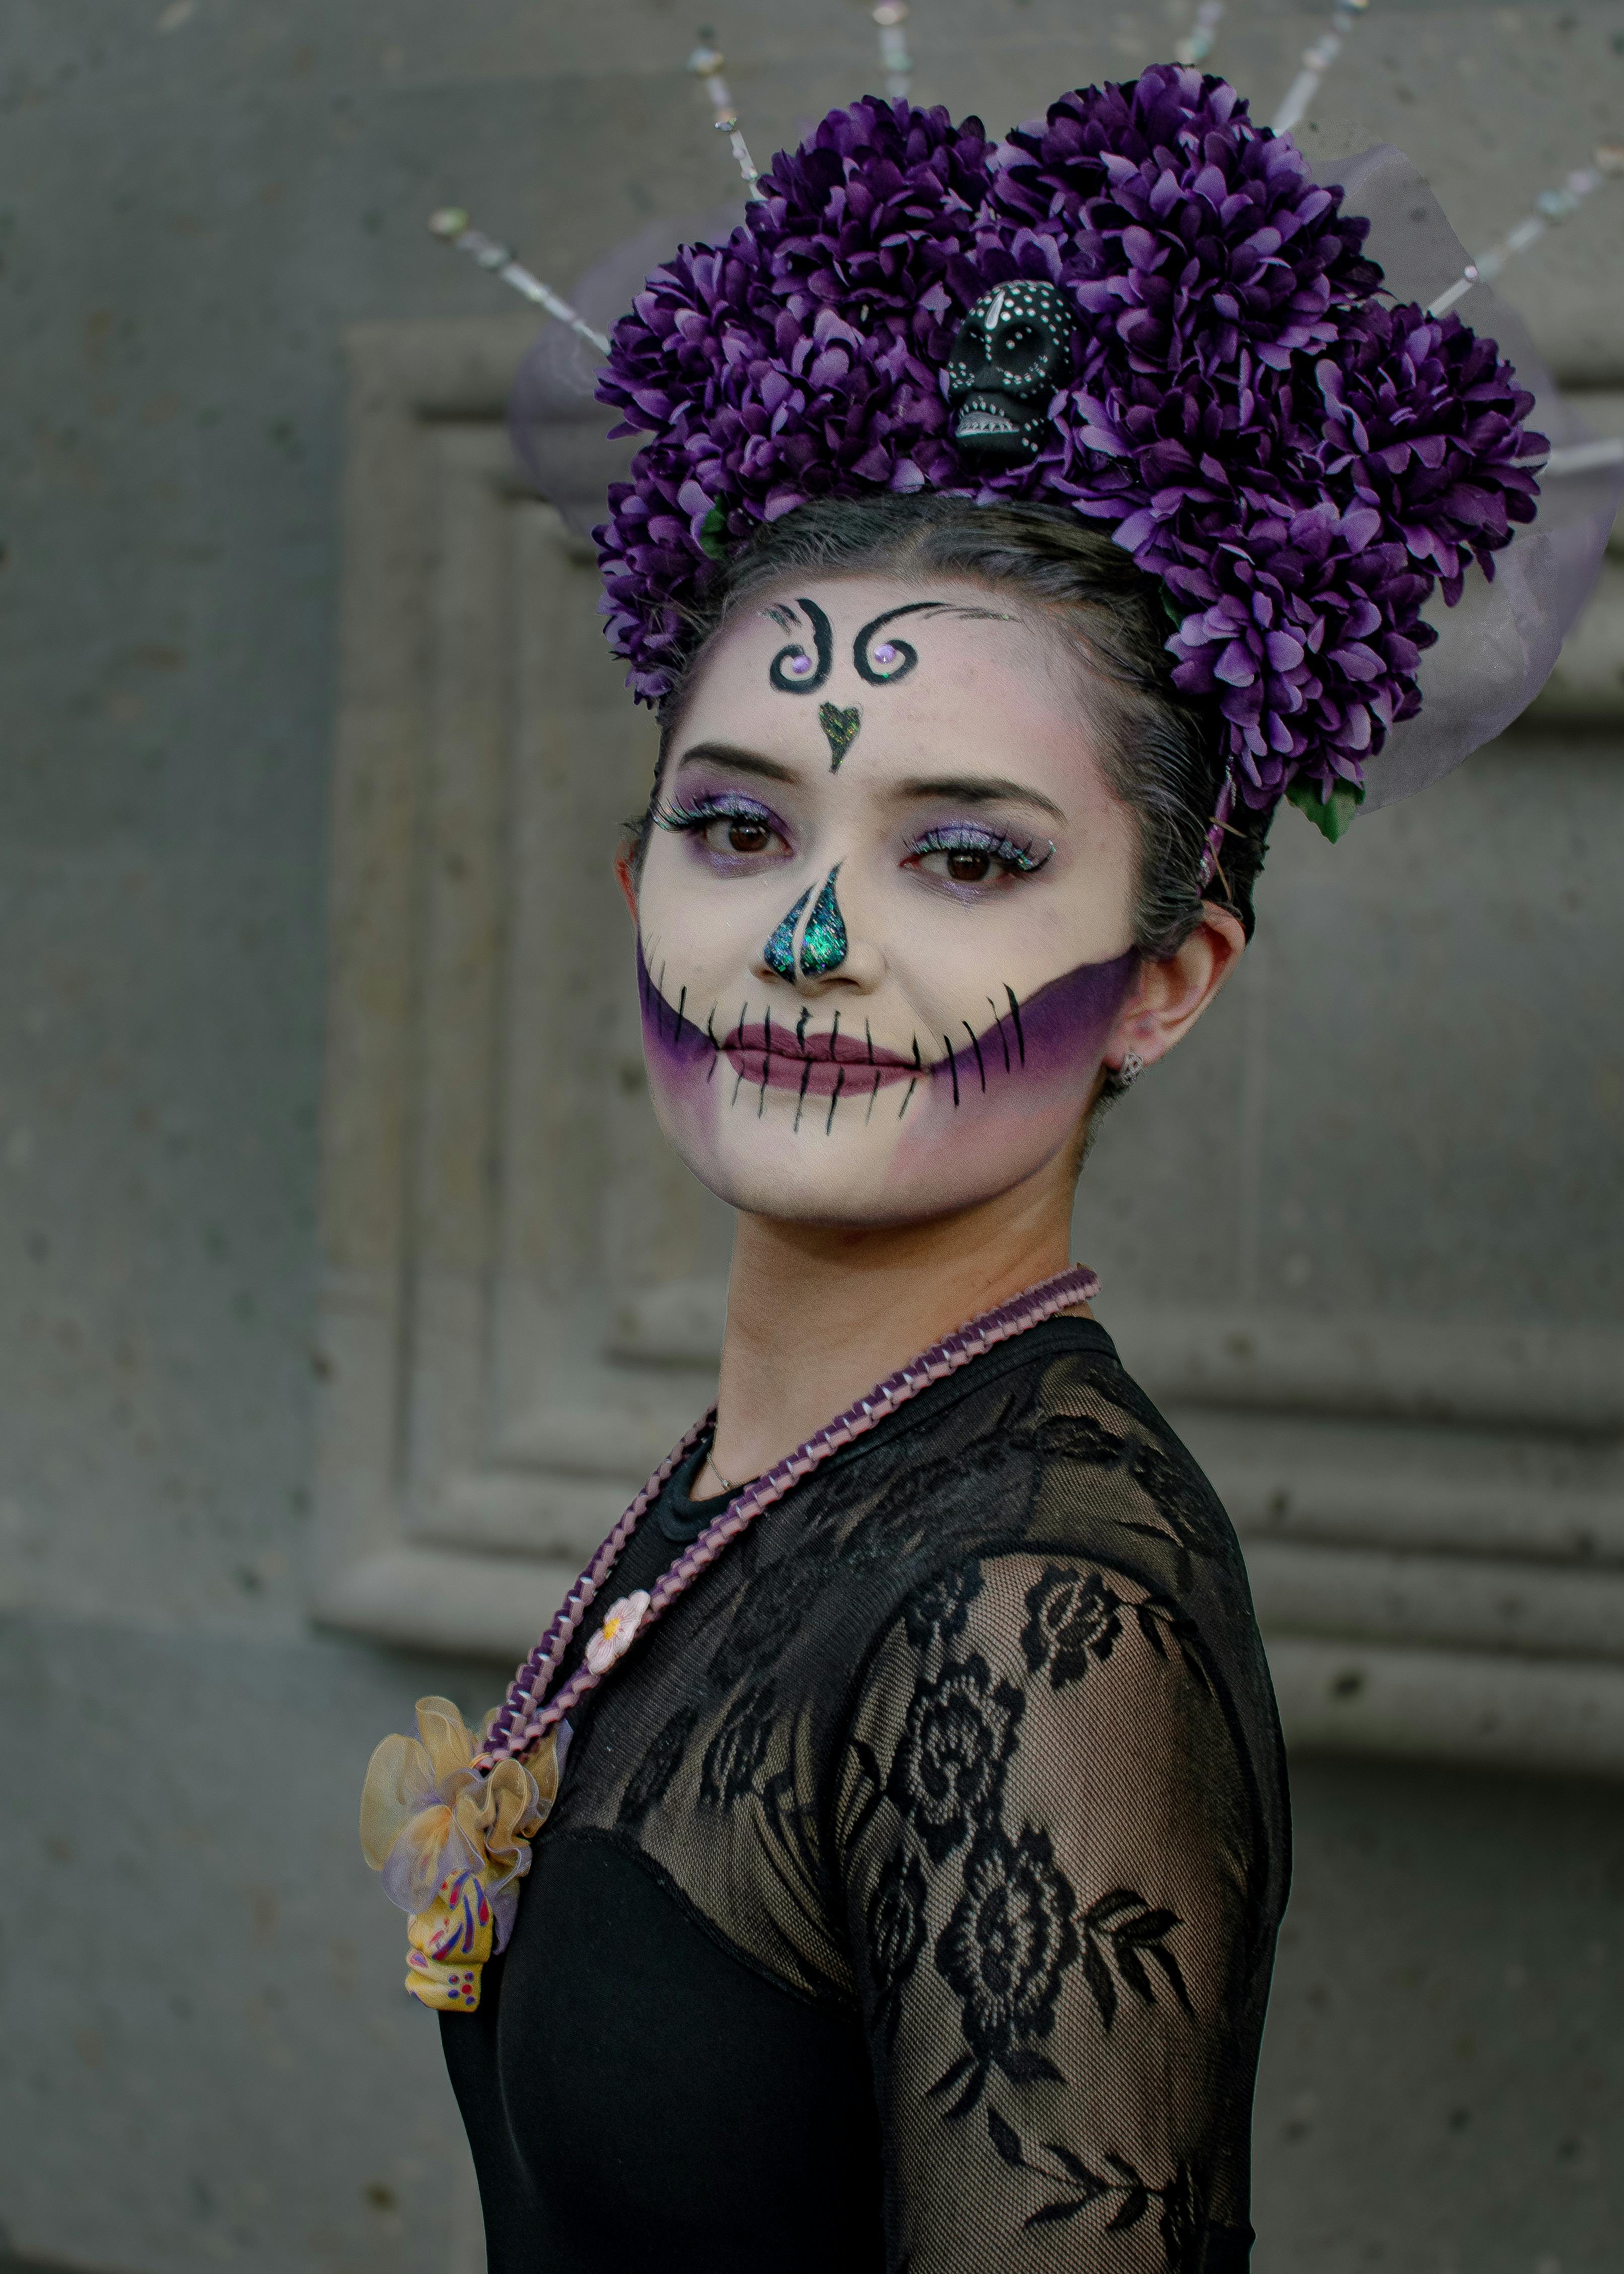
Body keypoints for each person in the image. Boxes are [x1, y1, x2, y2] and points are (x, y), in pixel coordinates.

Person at [361, 67, 1586, 2272]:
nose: (813, 942)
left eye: (965, 853)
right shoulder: (784, 1470)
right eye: (742, 829)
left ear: (1167, 974)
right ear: (637, 875)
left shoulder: (1034, 1621)